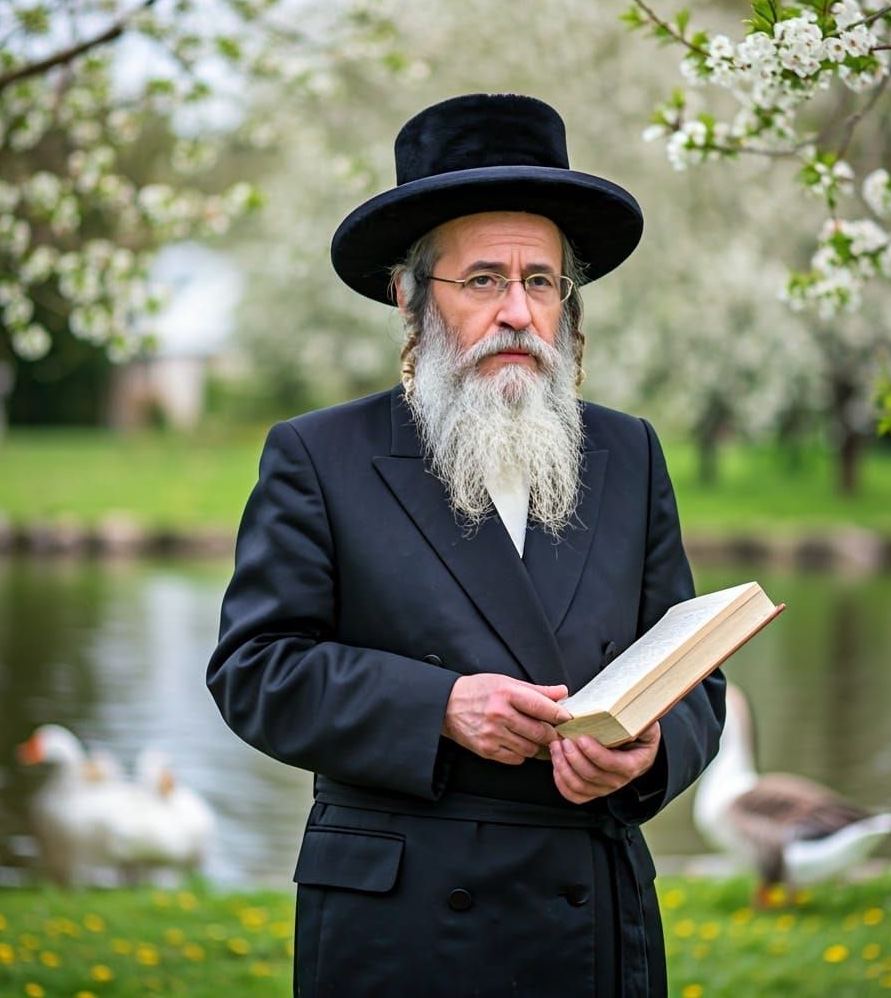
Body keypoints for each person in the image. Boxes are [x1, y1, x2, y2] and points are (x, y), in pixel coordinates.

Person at [207, 93, 726, 998]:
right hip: (401, 929)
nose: (519, 312)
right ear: (410, 296)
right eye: (483, 280)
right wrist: (439, 705)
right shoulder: (320, 455)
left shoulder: (628, 451)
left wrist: (649, 754)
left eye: (541, 281)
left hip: (589, 920)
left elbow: (694, 676)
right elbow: (255, 670)